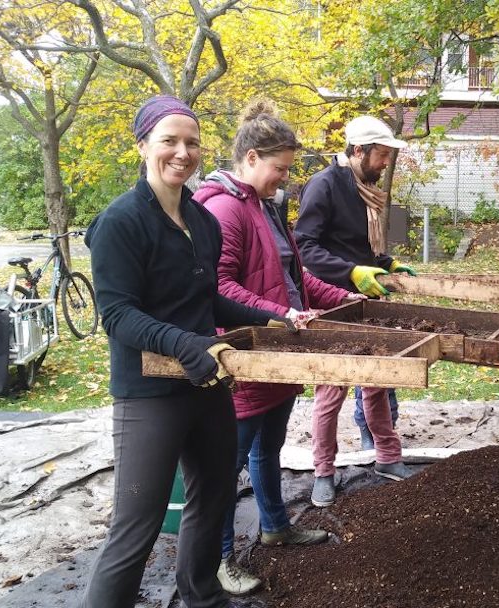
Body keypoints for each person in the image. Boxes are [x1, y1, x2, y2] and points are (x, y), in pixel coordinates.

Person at [80, 95, 293, 608]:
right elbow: (118, 315)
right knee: (138, 524)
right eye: (169, 141)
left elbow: (205, 295)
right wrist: (188, 344)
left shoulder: (202, 222)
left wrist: (273, 317)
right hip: (150, 392)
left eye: (192, 142)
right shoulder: (121, 222)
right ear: (143, 146)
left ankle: (202, 596)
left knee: (215, 497)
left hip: (206, 383)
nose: (182, 152)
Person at [194, 99, 367, 595]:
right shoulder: (225, 208)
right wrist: (281, 316)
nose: (285, 180)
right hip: (247, 354)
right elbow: (219, 287)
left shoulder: (264, 207)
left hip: (279, 353)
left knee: (267, 451)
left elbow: (294, 280)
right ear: (250, 158)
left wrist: (347, 297)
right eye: (280, 169)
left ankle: (275, 526)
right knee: (228, 465)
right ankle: (218, 558)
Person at [293, 115, 418, 508]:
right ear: (358, 150)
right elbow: (305, 247)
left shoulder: (364, 189)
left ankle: (387, 457)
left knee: (377, 382)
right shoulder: (324, 185)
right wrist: (351, 272)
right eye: (380, 155)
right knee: (332, 390)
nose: (385, 164)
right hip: (332, 302)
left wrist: (385, 262)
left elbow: (359, 245)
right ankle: (323, 473)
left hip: (369, 301)